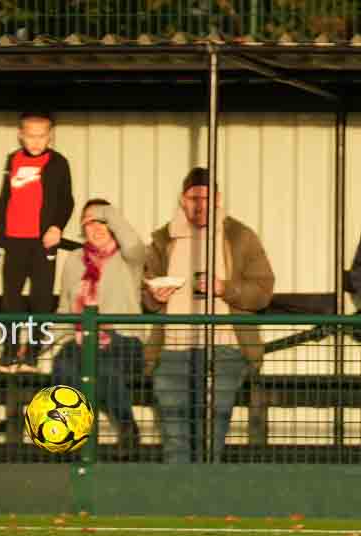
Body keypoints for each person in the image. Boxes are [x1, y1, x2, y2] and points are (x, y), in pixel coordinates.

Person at [143, 167, 274, 464]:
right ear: (182, 200)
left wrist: (224, 288)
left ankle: (205, 480)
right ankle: (179, 487)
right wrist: (154, 296)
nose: (199, 205)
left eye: (205, 198)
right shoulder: (164, 239)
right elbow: (146, 292)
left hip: (225, 347)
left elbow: (263, 290)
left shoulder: (239, 236)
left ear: (217, 199)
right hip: (173, 347)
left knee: (212, 425)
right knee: (173, 428)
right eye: (193, 199)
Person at [0, 111, 74, 371]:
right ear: (21, 135)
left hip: (42, 242)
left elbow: (66, 200)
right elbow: (5, 200)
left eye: (41, 136)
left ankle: (32, 352)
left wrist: (56, 226)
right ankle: (9, 352)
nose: (36, 141)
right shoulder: (14, 159)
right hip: (14, 241)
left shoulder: (58, 162)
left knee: (41, 298)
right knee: (11, 299)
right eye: (30, 136)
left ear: (50, 136)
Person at [51, 200, 145, 452]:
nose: (96, 228)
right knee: (63, 367)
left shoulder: (129, 258)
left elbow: (133, 242)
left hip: (122, 340)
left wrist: (103, 212)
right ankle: (78, 437)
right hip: (80, 340)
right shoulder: (74, 260)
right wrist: (57, 340)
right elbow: (65, 306)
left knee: (103, 368)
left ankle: (127, 429)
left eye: (102, 221)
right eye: (89, 223)